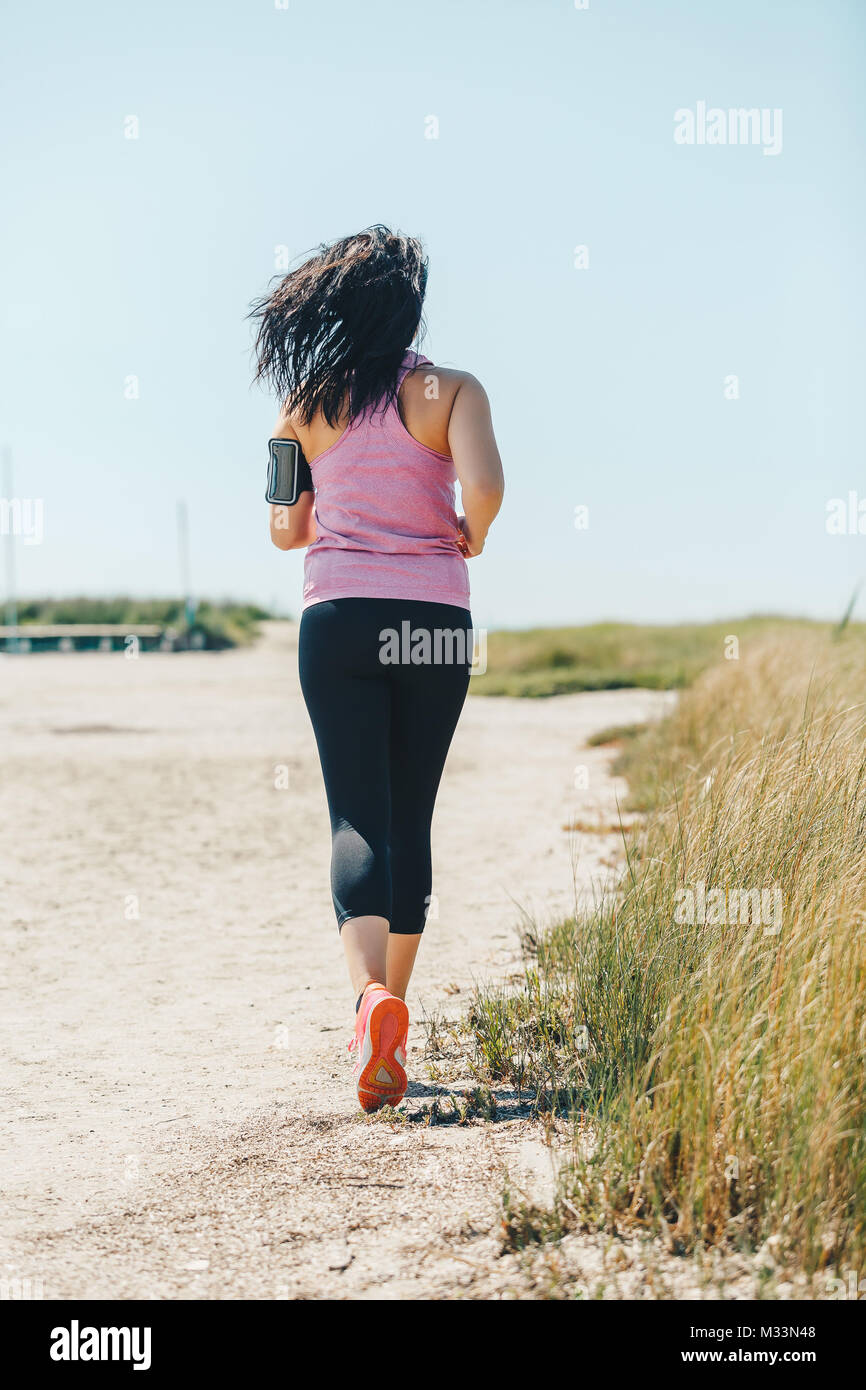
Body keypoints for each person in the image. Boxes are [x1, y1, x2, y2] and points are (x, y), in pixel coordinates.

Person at [252, 225, 504, 1112]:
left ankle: (370, 1005)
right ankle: (398, 1009)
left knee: (356, 813)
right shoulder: (451, 388)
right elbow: (489, 487)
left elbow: (284, 528)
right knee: (411, 811)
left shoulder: (302, 403)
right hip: (434, 621)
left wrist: (341, 514)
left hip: (341, 620)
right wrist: (470, 529)